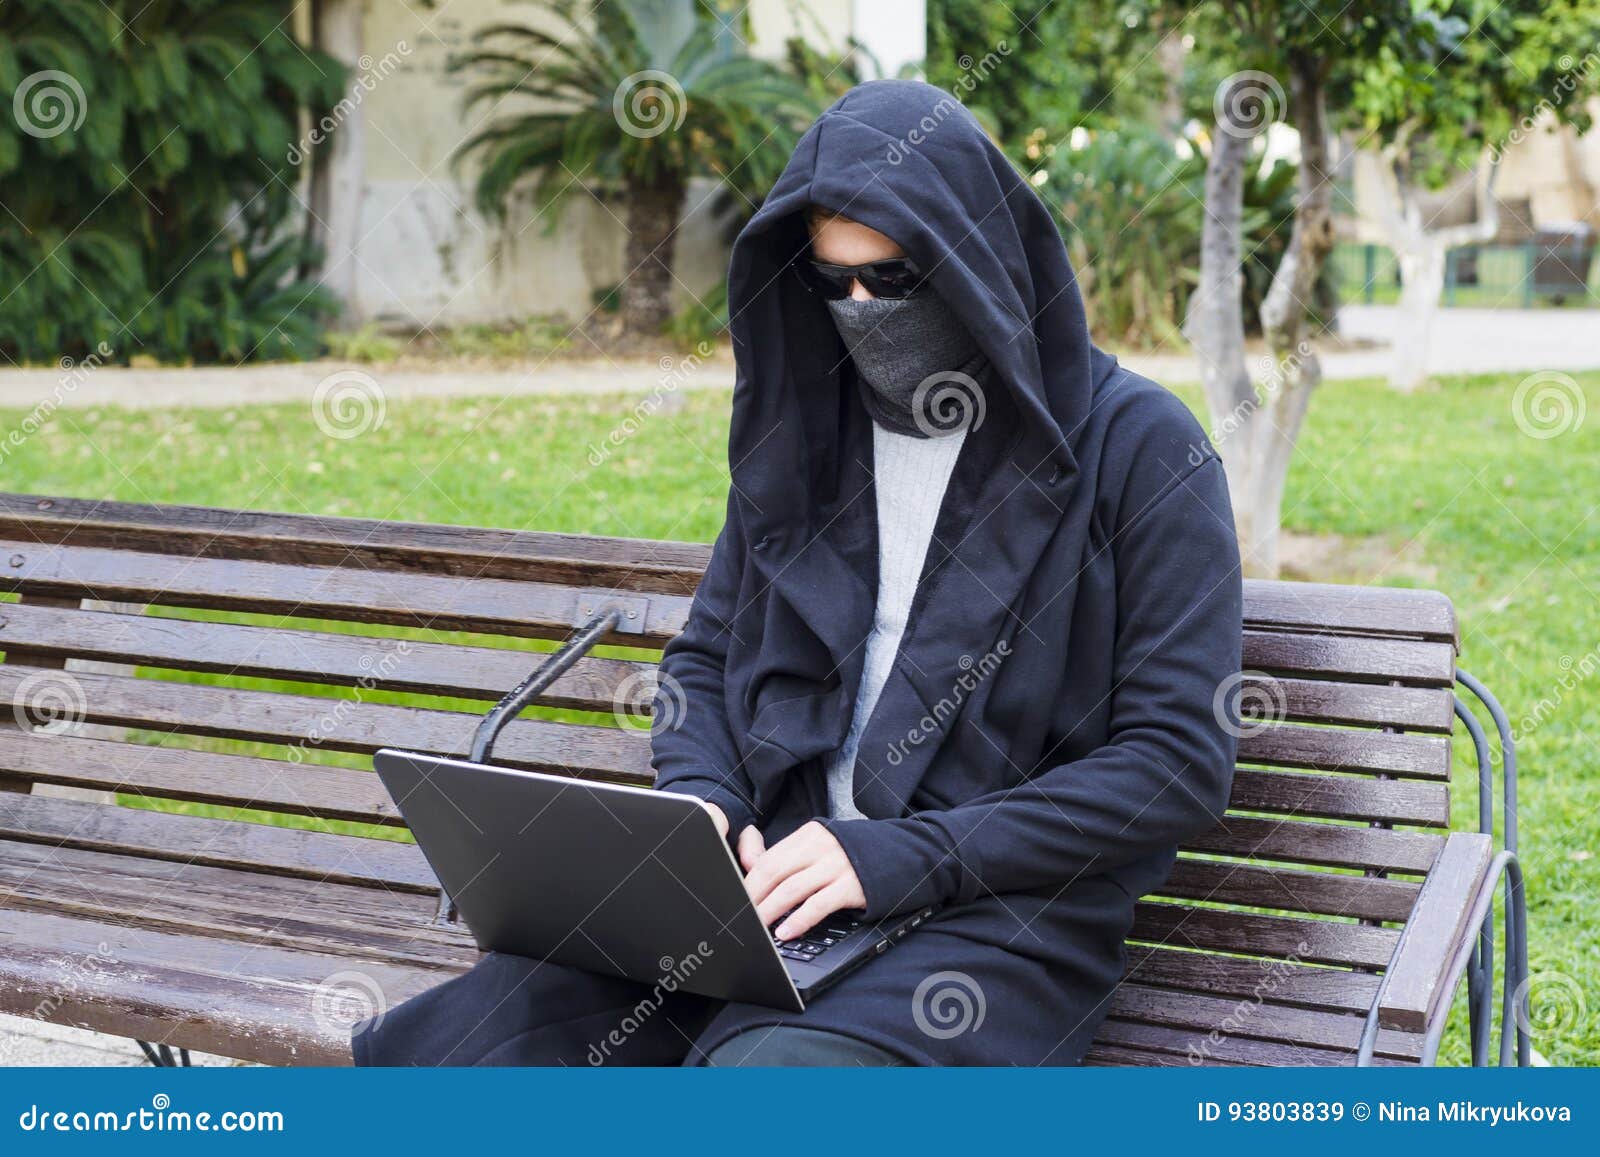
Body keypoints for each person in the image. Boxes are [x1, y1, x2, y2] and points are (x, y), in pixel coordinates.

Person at [352, 79, 1242, 1068]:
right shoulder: (811, 430)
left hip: (992, 920)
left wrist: (899, 855)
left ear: (977, 264)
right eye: (832, 283)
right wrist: (702, 811)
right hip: (772, 893)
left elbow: (1174, 761)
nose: (861, 312)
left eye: (893, 280)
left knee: (768, 1079)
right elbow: (701, 663)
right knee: (479, 1034)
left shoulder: (1137, 447)